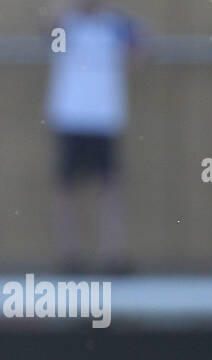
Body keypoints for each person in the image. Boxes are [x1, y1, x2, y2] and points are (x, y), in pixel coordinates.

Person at [45, 0, 145, 272]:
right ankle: (69, 254)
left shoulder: (117, 23)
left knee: (110, 186)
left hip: (104, 115)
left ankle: (112, 254)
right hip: (70, 113)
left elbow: (140, 51)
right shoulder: (67, 21)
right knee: (66, 186)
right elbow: (49, 28)